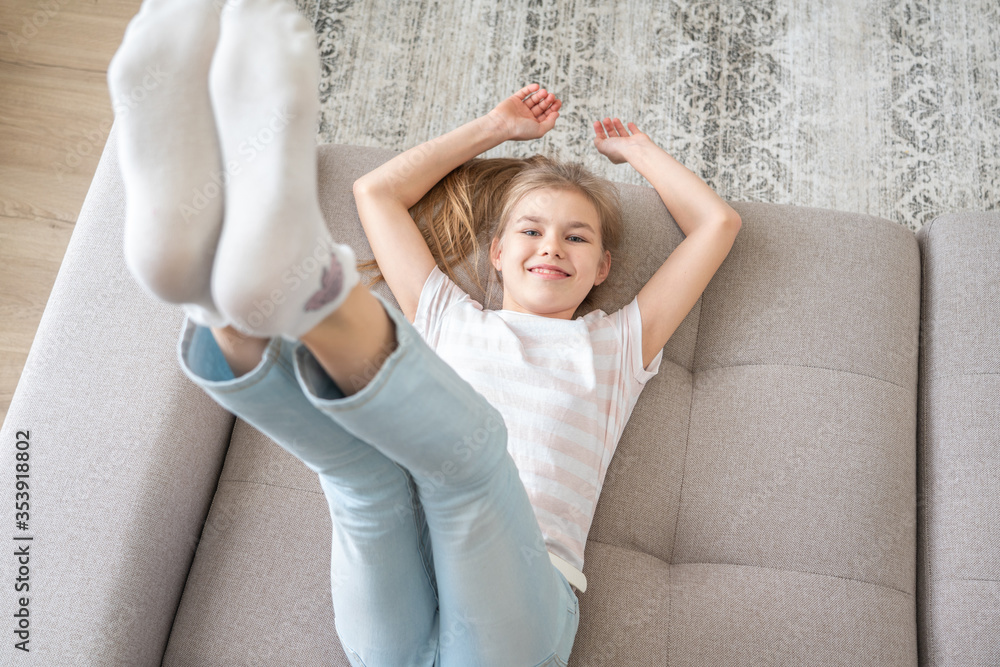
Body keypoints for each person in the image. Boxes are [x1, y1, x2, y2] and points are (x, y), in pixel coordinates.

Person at [107, 0, 741, 664]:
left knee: (359, 479)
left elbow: (716, 227)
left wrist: (634, 149)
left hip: (398, 633)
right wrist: (498, 127)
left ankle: (218, 303)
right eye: (531, 229)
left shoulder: (616, 342)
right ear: (495, 253)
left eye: (577, 237)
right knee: (467, 468)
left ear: (602, 268)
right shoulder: (451, 314)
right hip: (521, 582)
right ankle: (285, 285)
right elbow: (376, 193)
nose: (552, 245)